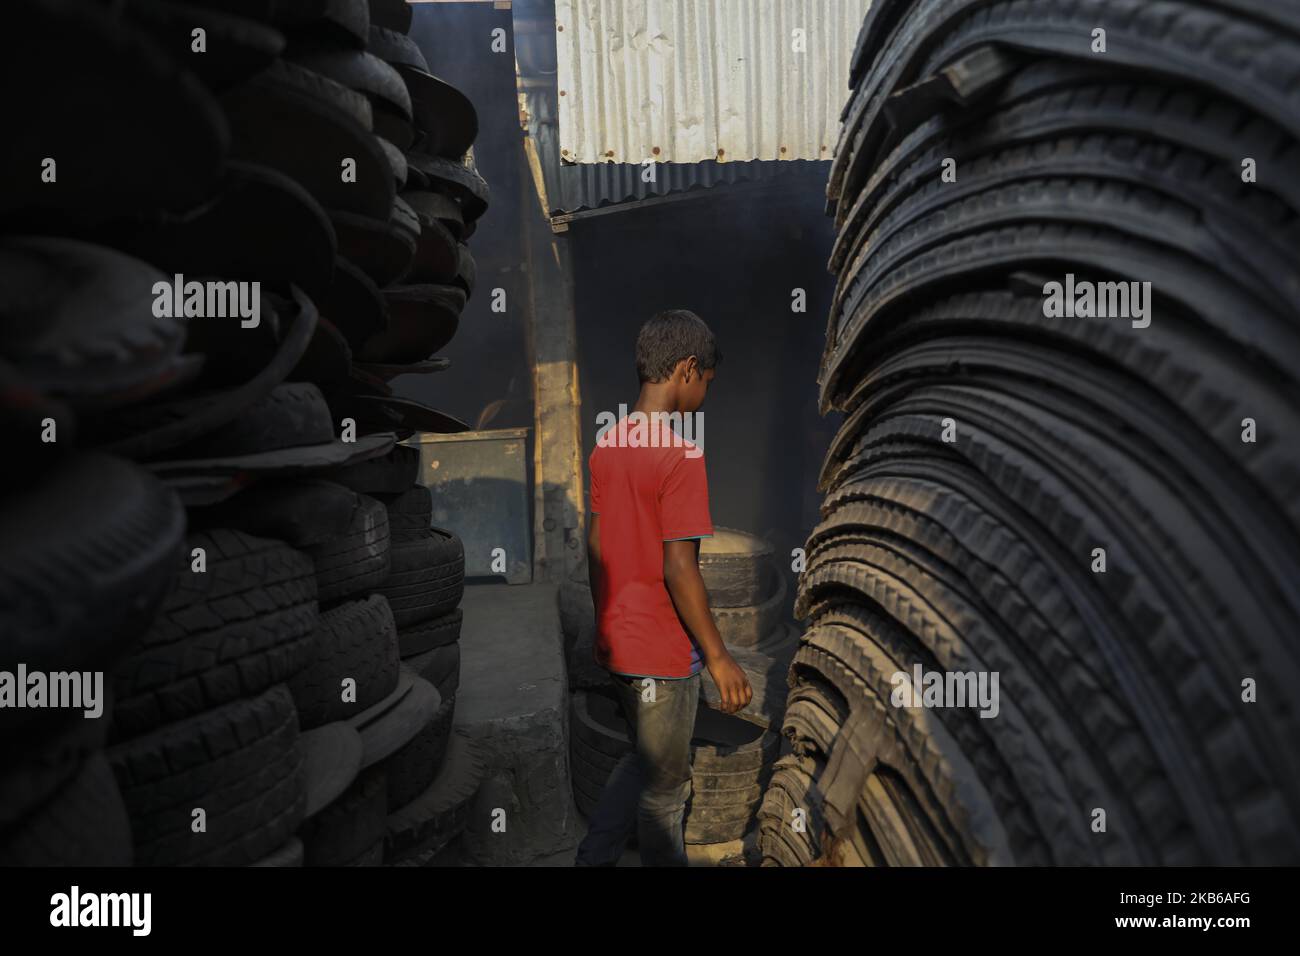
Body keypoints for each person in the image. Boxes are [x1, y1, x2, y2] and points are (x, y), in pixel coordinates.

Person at [574, 309, 753, 867]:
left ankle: (592, 859)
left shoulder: (608, 445)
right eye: (706, 383)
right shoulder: (681, 454)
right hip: (662, 657)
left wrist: (605, 624)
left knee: (643, 759)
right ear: (685, 369)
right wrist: (720, 657)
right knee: (665, 794)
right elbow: (680, 569)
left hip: (620, 644)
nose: (705, 394)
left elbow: (597, 549)